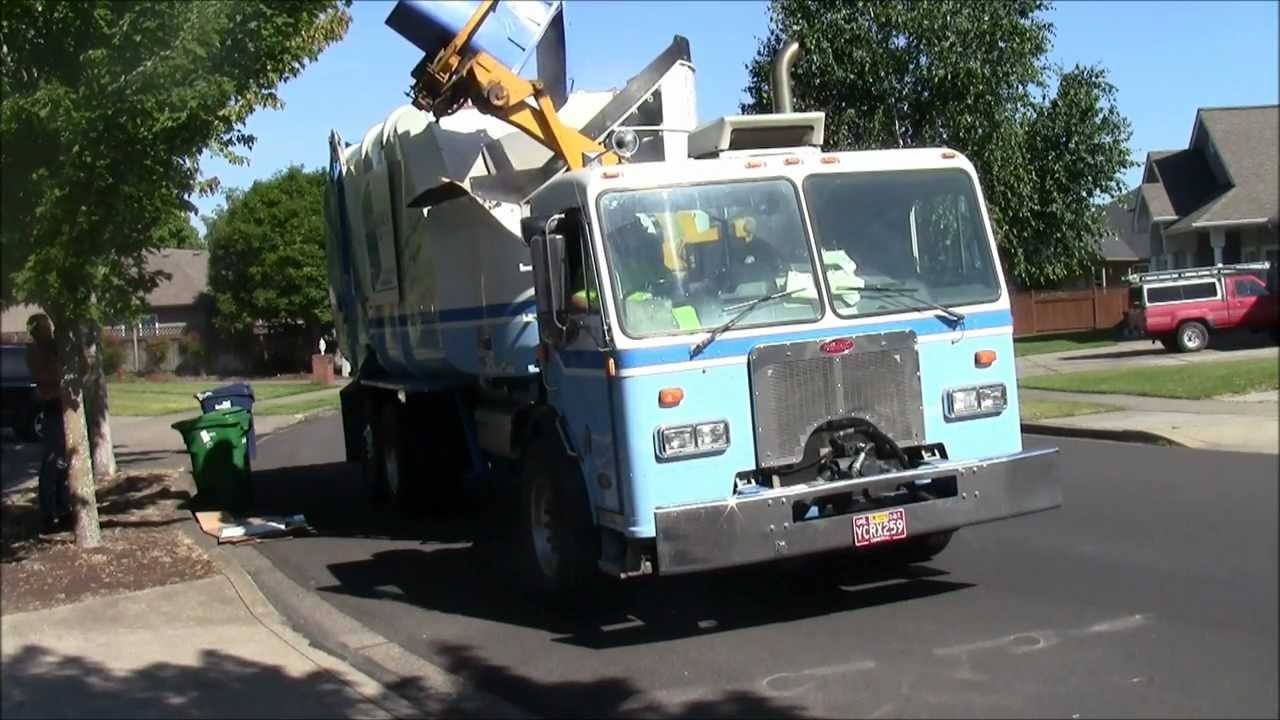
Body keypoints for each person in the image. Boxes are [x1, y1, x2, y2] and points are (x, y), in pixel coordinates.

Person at [25, 314, 70, 533]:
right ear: (35, 331)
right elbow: (49, 376)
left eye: (49, 326)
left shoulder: (59, 346)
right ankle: (48, 514)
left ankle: (64, 509)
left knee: (65, 463)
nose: (48, 331)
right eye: (43, 328)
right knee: (52, 463)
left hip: (68, 409)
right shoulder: (35, 352)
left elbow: (80, 367)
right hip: (53, 410)